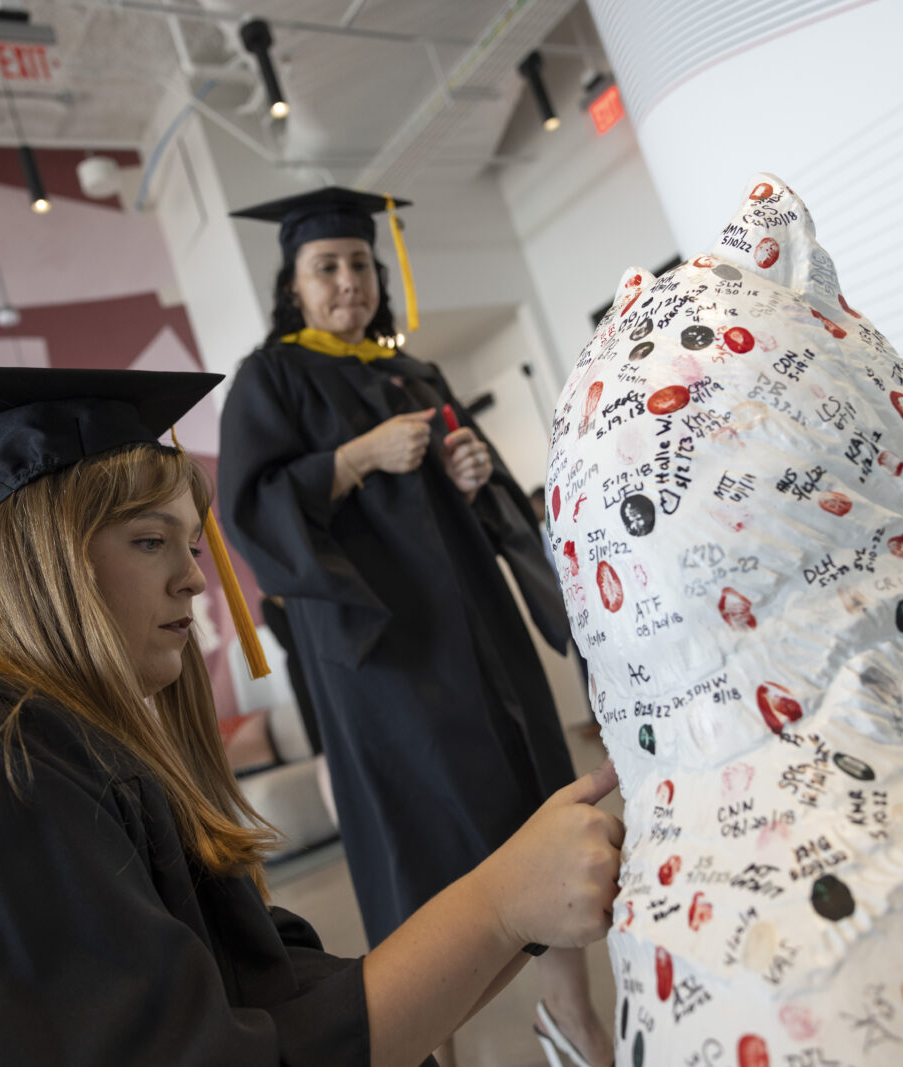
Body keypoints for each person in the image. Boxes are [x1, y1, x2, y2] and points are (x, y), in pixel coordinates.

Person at [0, 365, 624, 1067]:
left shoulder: (64, 750)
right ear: (52, 558)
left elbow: (290, 1004)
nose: (192, 575)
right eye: (149, 538)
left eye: (189, 539)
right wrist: (500, 901)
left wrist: (516, 908)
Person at [220, 188, 615, 1065]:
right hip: (381, 652)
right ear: (294, 283)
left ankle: (570, 1018)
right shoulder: (271, 377)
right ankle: (431, 1044)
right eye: (326, 267)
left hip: (474, 624)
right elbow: (248, 507)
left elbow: (482, 506)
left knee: (524, 794)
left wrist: (473, 474)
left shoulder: (414, 373)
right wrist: (356, 458)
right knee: (421, 828)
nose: (348, 281)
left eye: (359, 263)